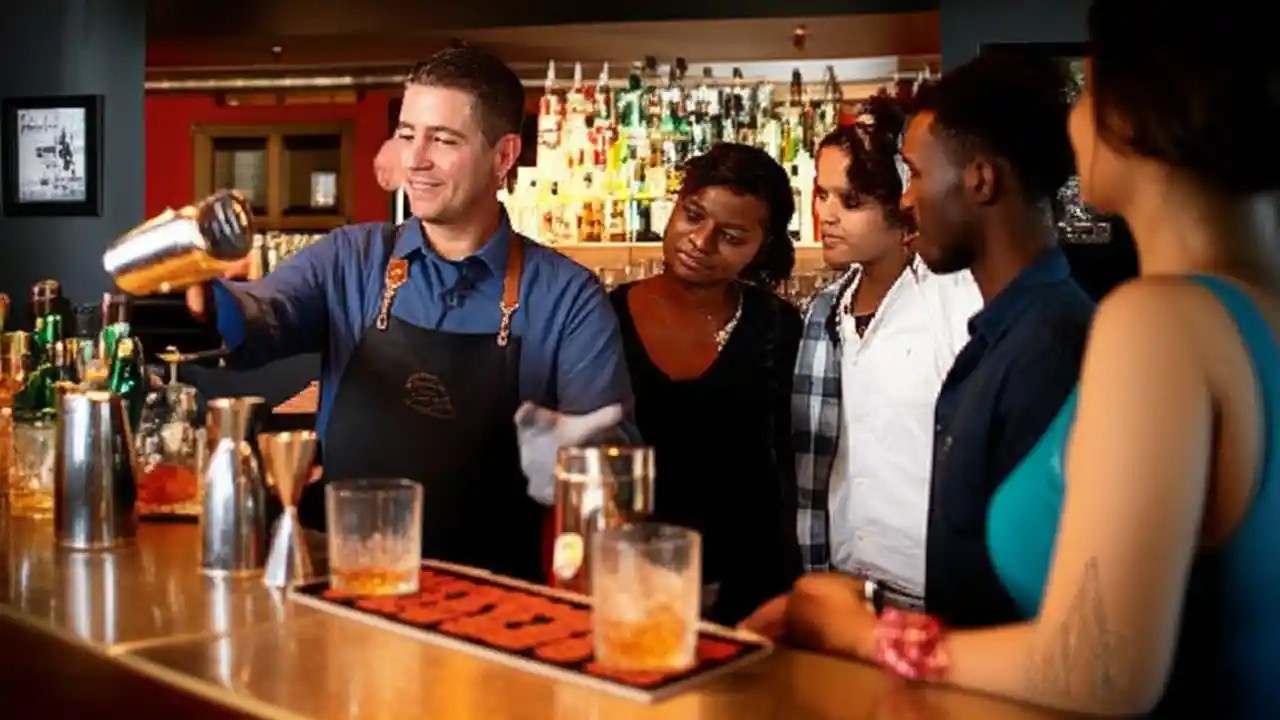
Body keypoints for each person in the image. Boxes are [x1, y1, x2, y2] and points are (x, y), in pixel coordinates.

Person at [185, 47, 633, 584]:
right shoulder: (351, 259)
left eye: (443, 140)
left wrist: (576, 459)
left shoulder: (567, 297)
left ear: (505, 155)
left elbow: (611, 463)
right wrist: (213, 301)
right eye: (406, 133)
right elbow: (264, 315)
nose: (414, 159)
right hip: (341, 582)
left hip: (489, 607)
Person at [780, 52, 1096, 646]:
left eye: (916, 175)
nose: (905, 201)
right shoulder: (1010, 326)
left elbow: (1057, 615)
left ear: (978, 179)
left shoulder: (1048, 341)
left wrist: (887, 643)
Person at [741, 93, 982, 636]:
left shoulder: (954, 299)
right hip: (845, 586)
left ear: (904, 206)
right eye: (821, 193)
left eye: (849, 201)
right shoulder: (826, 312)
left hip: (936, 592)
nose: (824, 213)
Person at [609, 143, 802, 626]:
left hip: (753, 592)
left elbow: (791, 467)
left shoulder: (778, 326)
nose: (701, 240)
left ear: (763, 246)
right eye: (692, 215)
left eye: (731, 235)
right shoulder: (602, 317)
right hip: (630, 582)